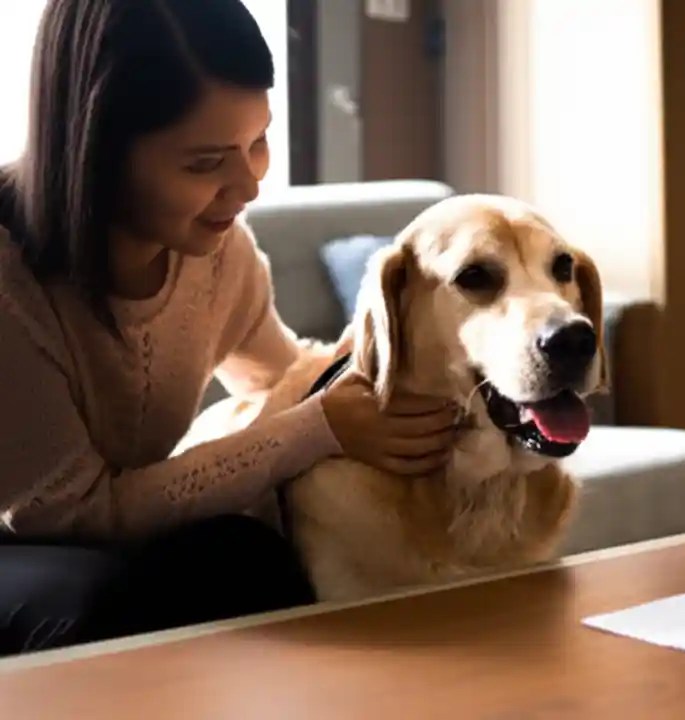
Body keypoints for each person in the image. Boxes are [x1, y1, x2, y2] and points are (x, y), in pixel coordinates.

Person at [0, 0, 457, 656]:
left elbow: (282, 372)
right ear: (95, 147)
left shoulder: (219, 254)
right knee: (96, 603)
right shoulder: (9, 280)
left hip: (96, 547)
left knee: (248, 557)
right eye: (204, 162)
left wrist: (395, 368)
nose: (247, 185)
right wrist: (318, 427)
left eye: (259, 142)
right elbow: (74, 511)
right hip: (27, 543)